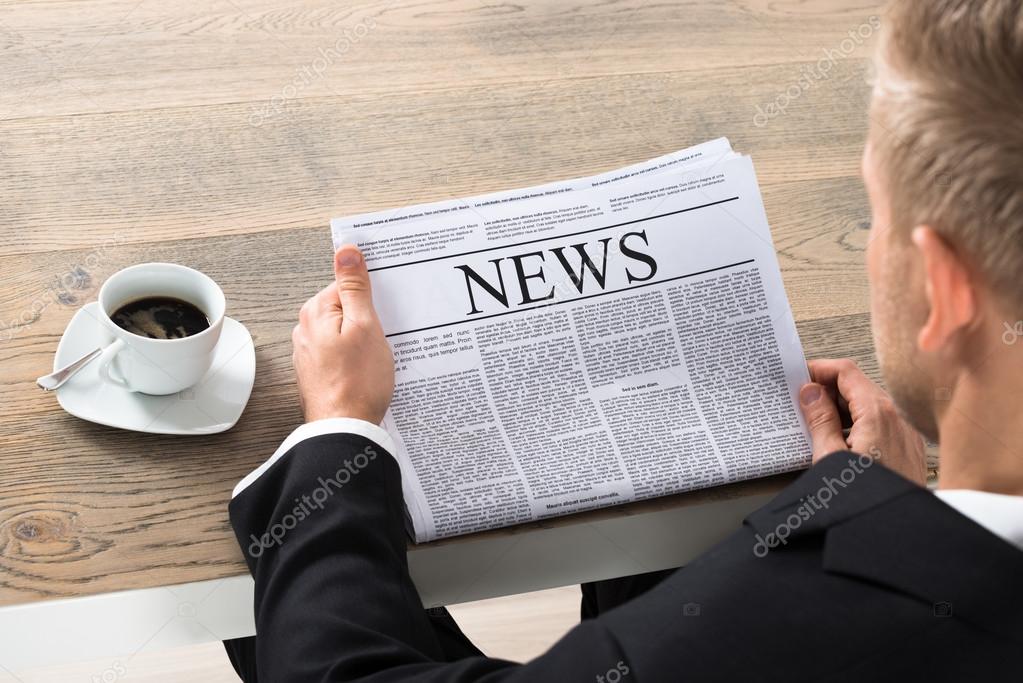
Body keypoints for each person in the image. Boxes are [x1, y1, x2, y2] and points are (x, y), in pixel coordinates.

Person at [224, 1, 1023, 679]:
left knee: (265, 597)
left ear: (944, 286)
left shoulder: (756, 639)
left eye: (872, 210)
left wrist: (337, 426)